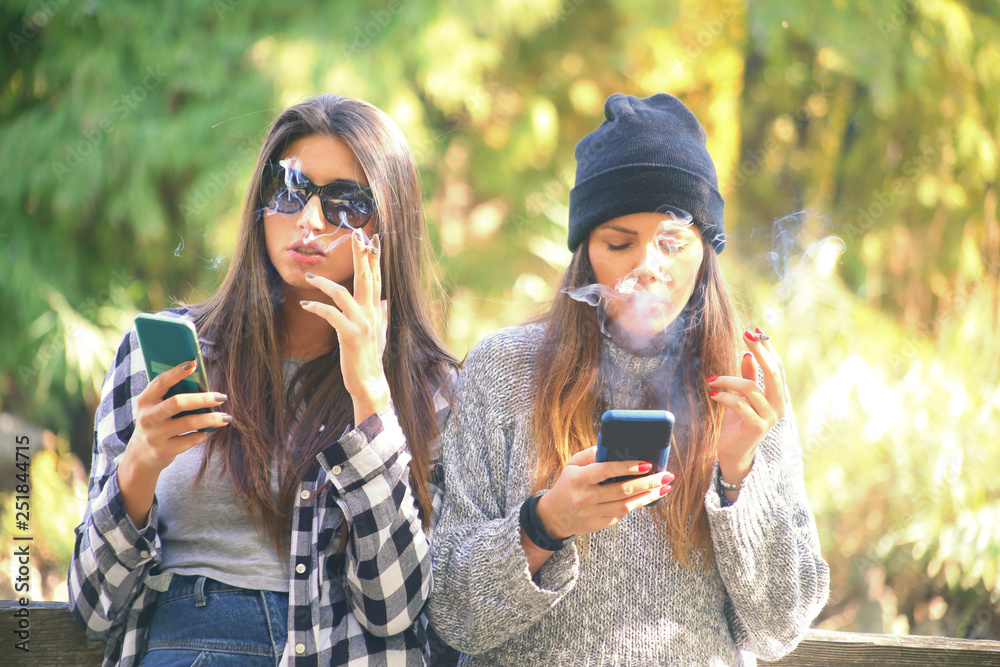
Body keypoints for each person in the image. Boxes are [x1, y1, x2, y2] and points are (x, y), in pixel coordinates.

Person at [427, 93, 830, 665]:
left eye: (671, 242)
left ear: (706, 252)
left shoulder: (744, 382)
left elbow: (781, 627)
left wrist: (739, 476)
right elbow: (452, 611)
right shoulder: (504, 370)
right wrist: (545, 526)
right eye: (619, 243)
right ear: (586, 252)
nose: (648, 266)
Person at [68, 94, 457, 666]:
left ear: (389, 224)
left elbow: (394, 610)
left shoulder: (427, 386)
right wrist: (140, 465)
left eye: (347, 203)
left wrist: (371, 396)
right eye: (290, 188)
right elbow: (93, 606)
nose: (310, 221)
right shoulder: (172, 354)